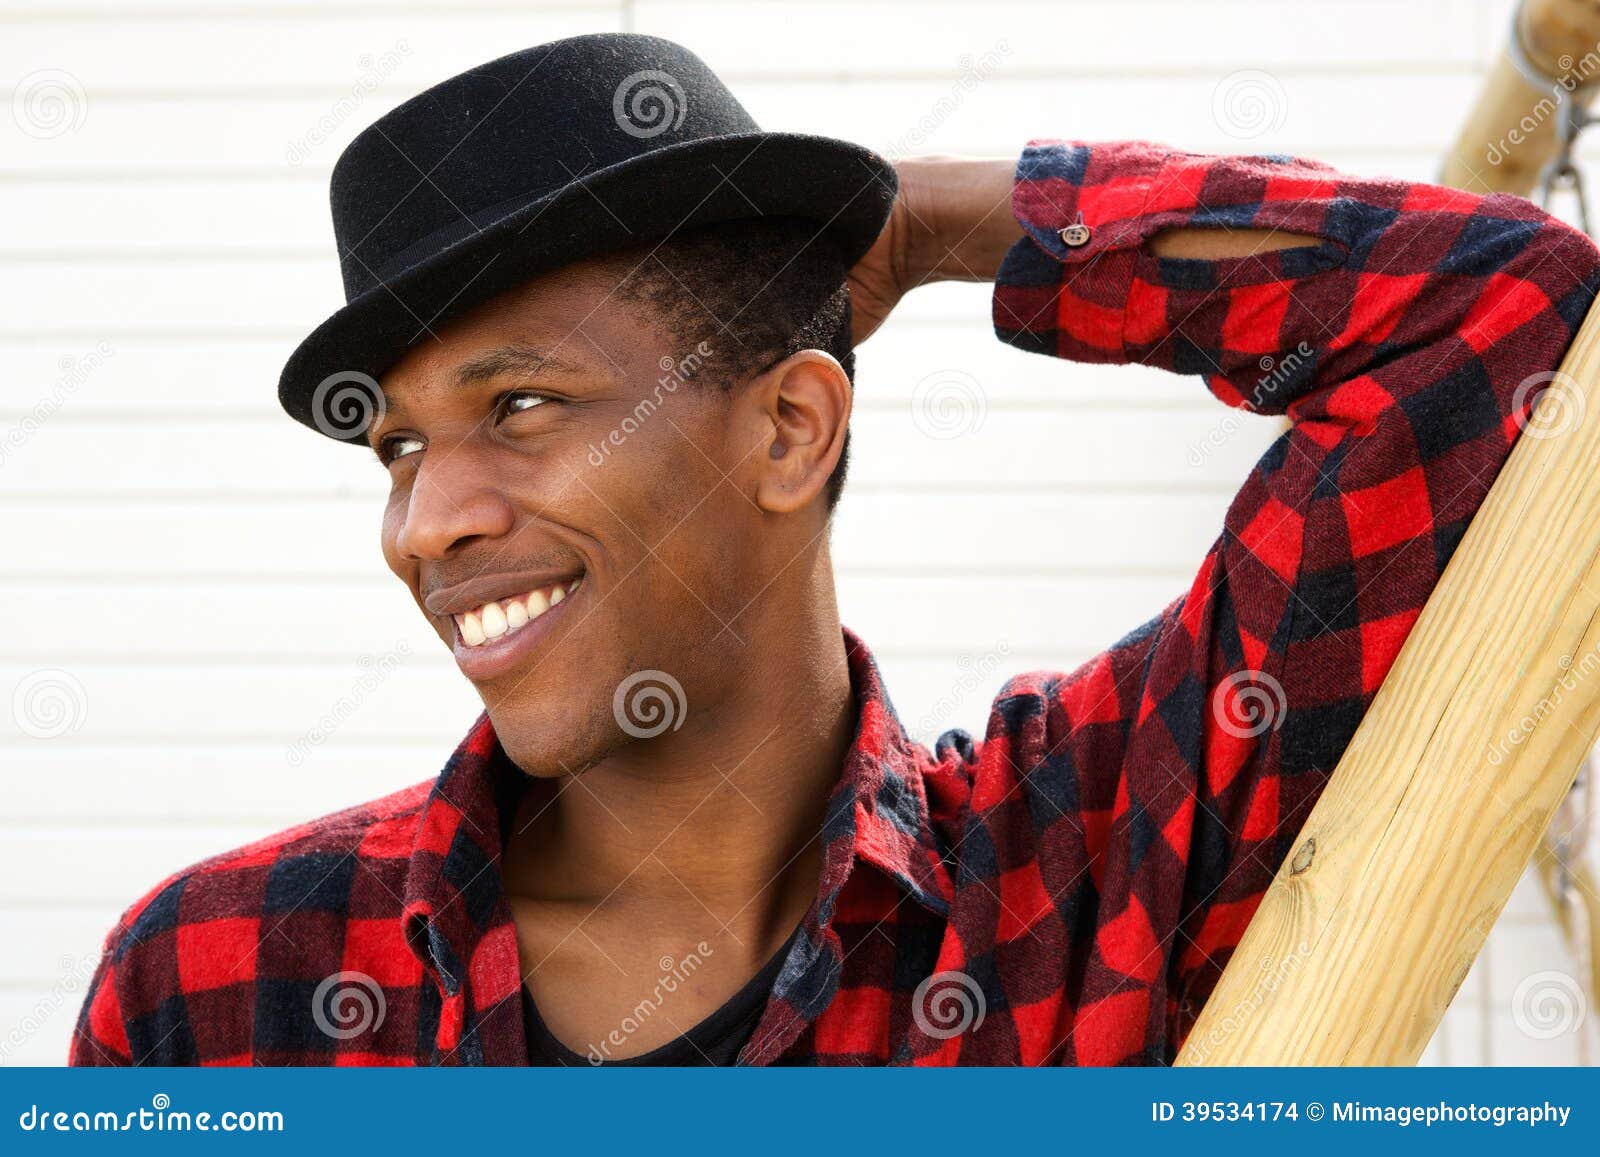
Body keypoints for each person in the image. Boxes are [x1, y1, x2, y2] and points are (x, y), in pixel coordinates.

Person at [70, 33, 1600, 1066]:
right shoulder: (220, 989)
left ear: (792, 429)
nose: (427, 521)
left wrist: (918, 226)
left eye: (520, 404)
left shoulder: (1081, 861)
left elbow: (1505, 314)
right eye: (399, 447)